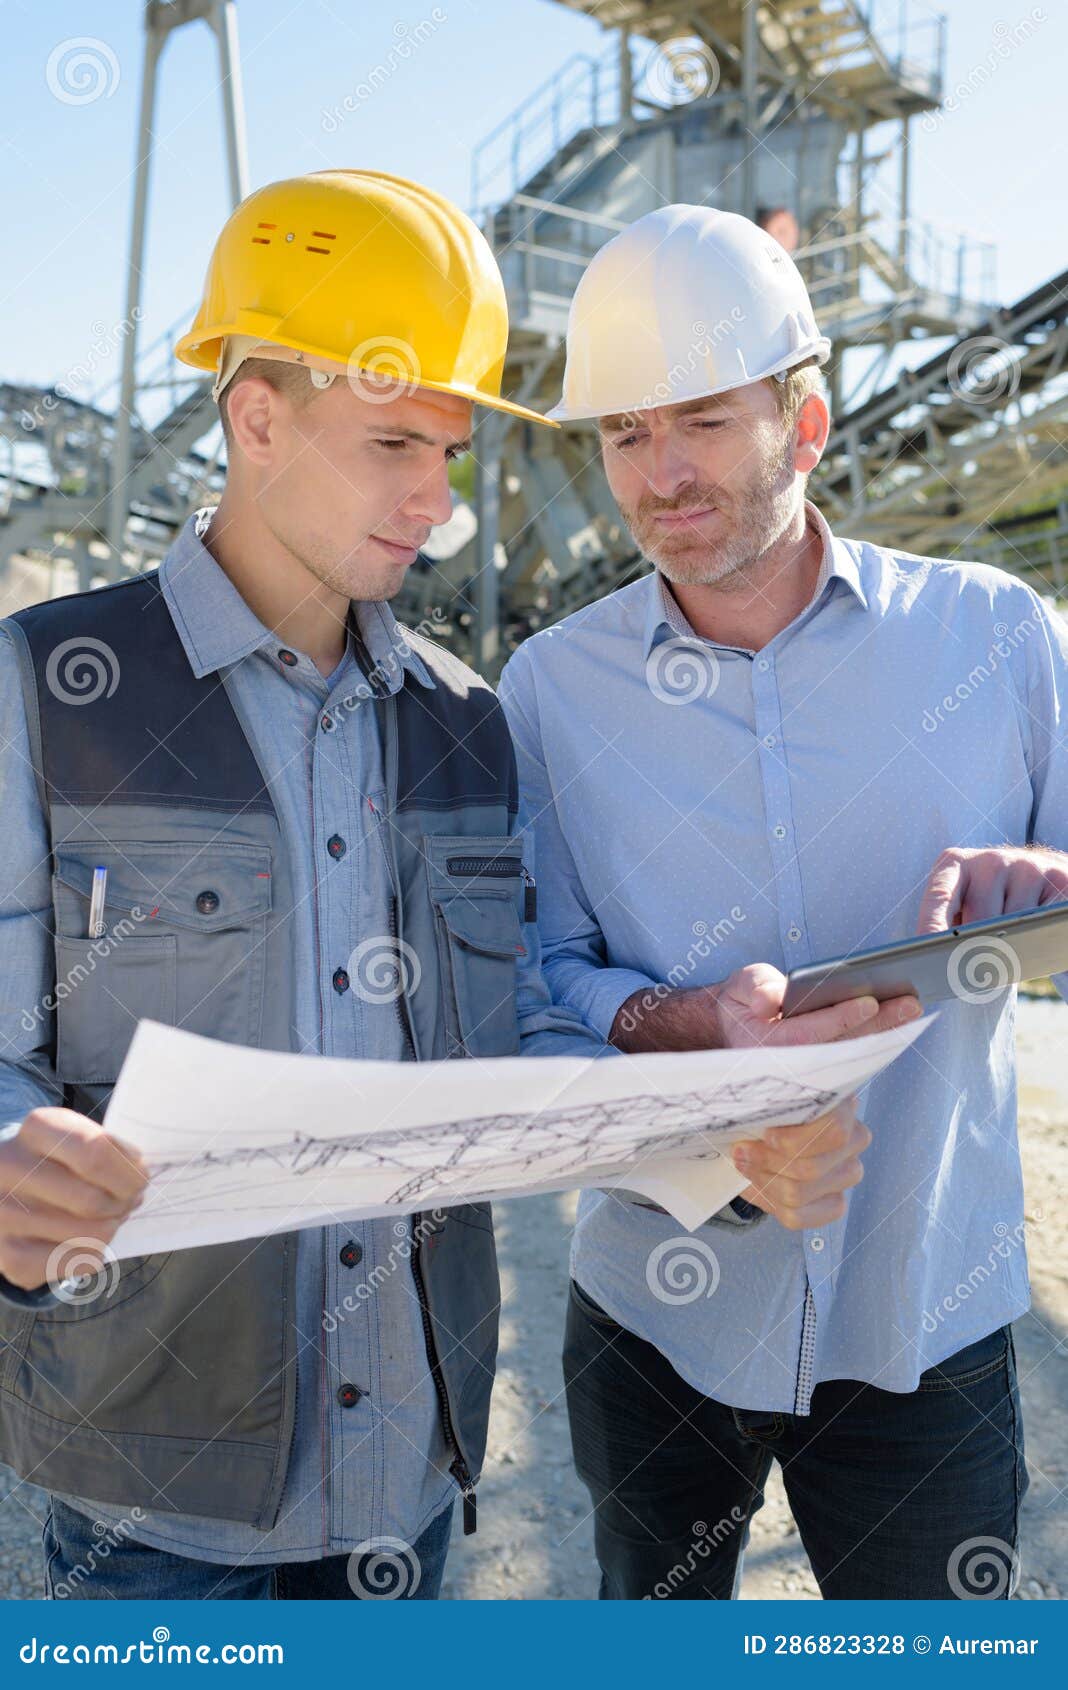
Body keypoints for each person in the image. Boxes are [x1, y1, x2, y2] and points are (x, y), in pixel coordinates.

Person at [0, 168, 606, 1601]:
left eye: (451, 452)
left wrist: (698, 1073)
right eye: (394, 440)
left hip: (412, 1486)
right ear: (255, 416)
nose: (436, 500)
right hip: (158, 1506)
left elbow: (517, 1035)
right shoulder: (48, 691)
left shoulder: (469, 723)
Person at [497, 203, 1068, 1600]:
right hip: (657, 1320)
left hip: (923, 1312)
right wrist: (689, 1037)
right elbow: (536, 981)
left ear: (805, 425)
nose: (659, 473)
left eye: (702, 418)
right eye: (624, 433)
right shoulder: (549, 695)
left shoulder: (994, 636)